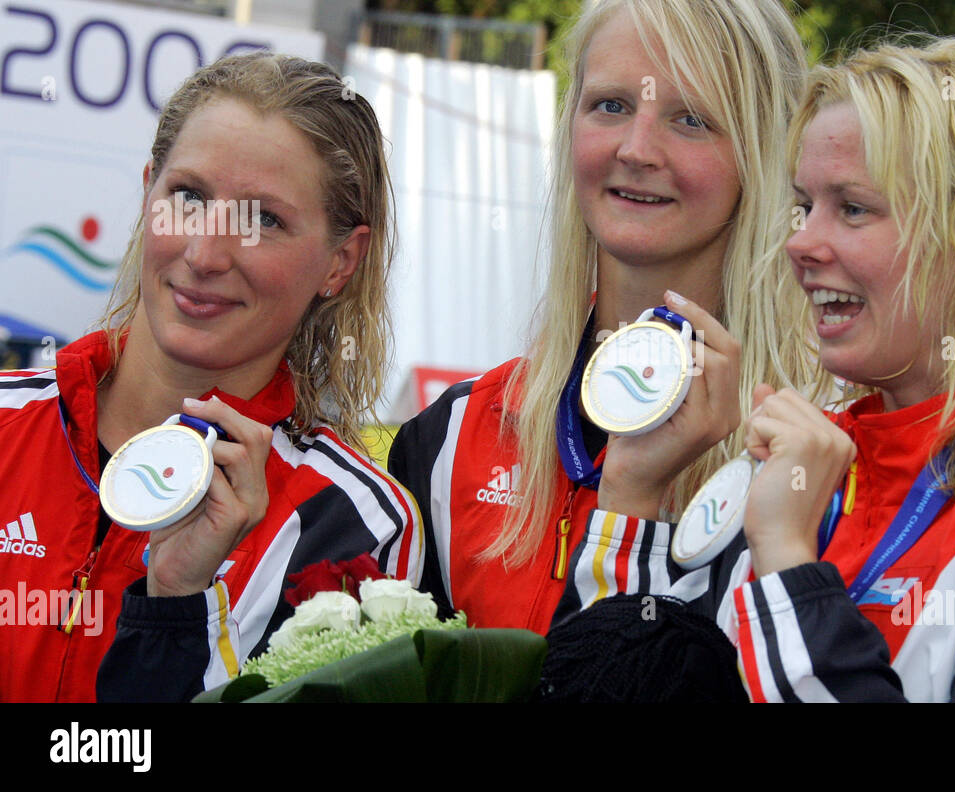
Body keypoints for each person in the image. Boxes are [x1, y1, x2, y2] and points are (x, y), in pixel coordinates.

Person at [557, 37, 955, 701]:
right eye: (804, 206)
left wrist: (786, 562)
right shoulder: (799, 461)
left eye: (853, 208)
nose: (801, 242)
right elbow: (597, 688)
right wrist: (633, 492)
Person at [0, 52, 422, 702]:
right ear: (148, 195)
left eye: (262, 220)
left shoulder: (354, 525)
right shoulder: (7, 425)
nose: (203, 253)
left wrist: (175, 606)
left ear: (341, 261)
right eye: (188, 196)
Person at [387, 0, 820, 633]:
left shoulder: (817, 450)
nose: (638, 149)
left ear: (762, 153)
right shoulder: (450, 440)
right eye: (611, 106)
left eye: (691, 119)